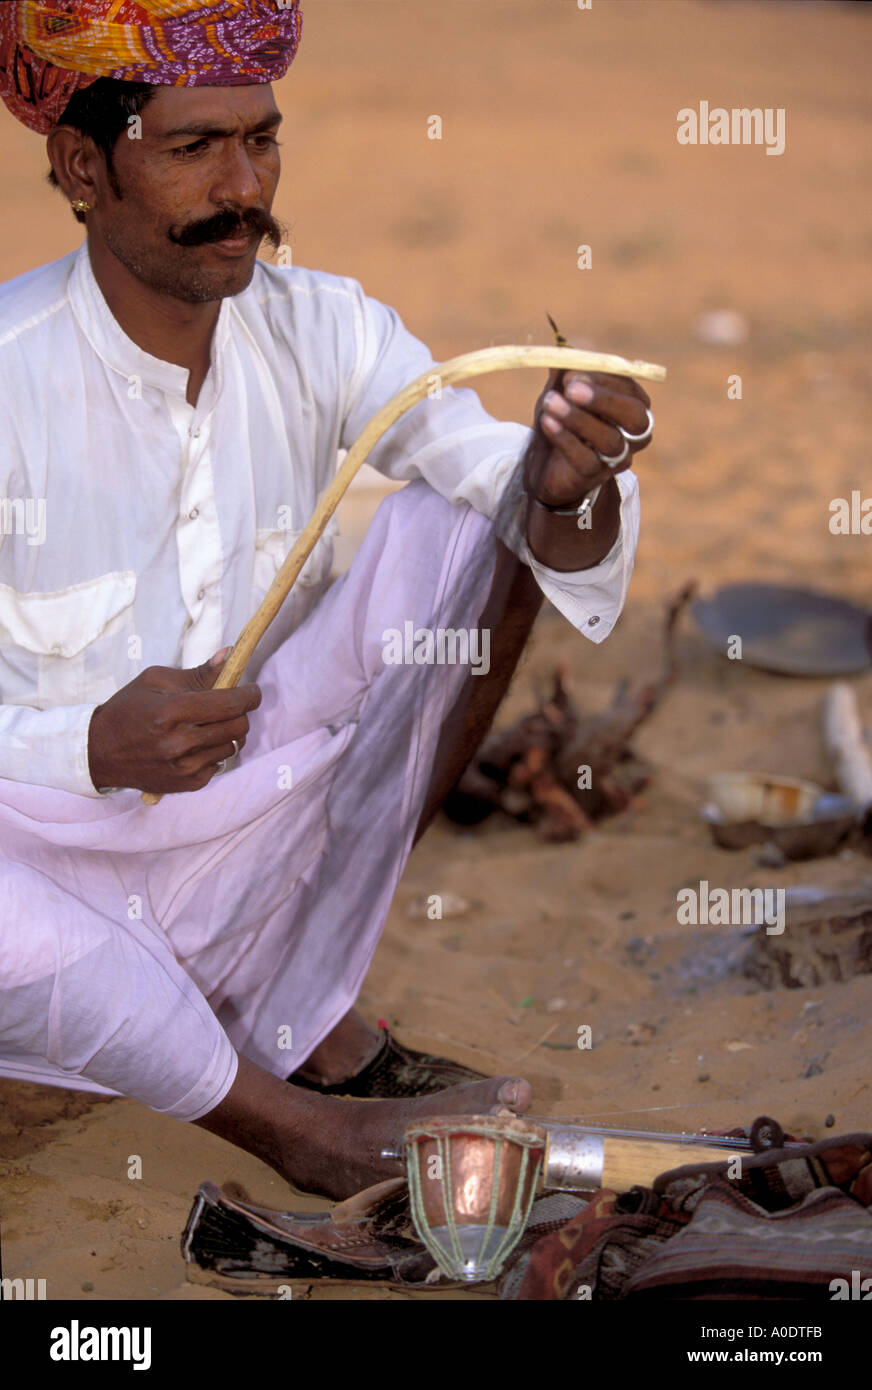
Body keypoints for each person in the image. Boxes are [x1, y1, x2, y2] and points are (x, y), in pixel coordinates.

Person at [0, 1, 653, 1200]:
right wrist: (84, 742)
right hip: (42, 869)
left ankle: (292, 994)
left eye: (262, 140)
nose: (243, 185)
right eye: (193, 146)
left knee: (472, 520)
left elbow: (506, 493)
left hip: (254, 824)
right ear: (82, 166)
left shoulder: (325, 328)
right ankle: (291, 1123)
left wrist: (569, 486)